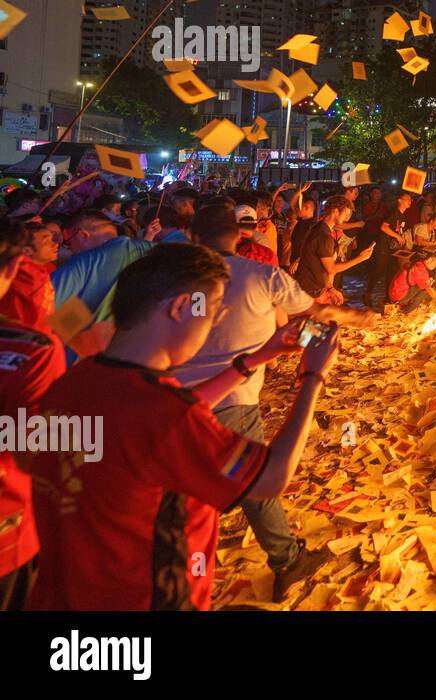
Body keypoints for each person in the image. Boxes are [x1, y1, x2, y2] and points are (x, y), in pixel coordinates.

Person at [25, 243, 341, 610]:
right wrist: (313, 377)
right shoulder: (165, 414)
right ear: (179, 308)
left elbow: (150, 431)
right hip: (147, 599)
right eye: (212, 311)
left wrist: (255, 359)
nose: (216, 320)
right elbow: (270, 478)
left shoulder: (74, 382)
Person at [182, 206, 371, 600]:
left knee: (189, 483)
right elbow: (315, 314)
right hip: (234, 399)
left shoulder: (171, 276)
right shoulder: (260, 275)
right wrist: (358, 318)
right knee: (256, 482)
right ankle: (286, 561)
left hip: (172, 396)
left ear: (192, 237)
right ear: (238, 236)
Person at [0, 219, 65, 610]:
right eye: (45, 238)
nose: (54, 242)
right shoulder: (31, 349)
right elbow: (34, 449)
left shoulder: (48, 276)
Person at [295, 196, 373, 303]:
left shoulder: (320, 229)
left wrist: (331, 288)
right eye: (345, 214)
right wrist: (360, 258)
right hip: (310, 291)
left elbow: (321, 267)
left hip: (313, 288)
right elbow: (331, 268)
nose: (346, 218)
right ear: (335, 211)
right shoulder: (323, 236)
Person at [366, 192, 411, 309]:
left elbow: (398, 231)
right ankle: (367, 294)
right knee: (379, 270)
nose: (410, 201)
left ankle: (388, 297)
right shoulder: (393, 213)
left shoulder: (403, 216)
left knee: (392, 272)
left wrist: (402, 240)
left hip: (392, 248)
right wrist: (397, 236)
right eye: (407, 199)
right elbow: (383, 227)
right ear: (400, 200)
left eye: (410, 200)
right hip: (383, 246)